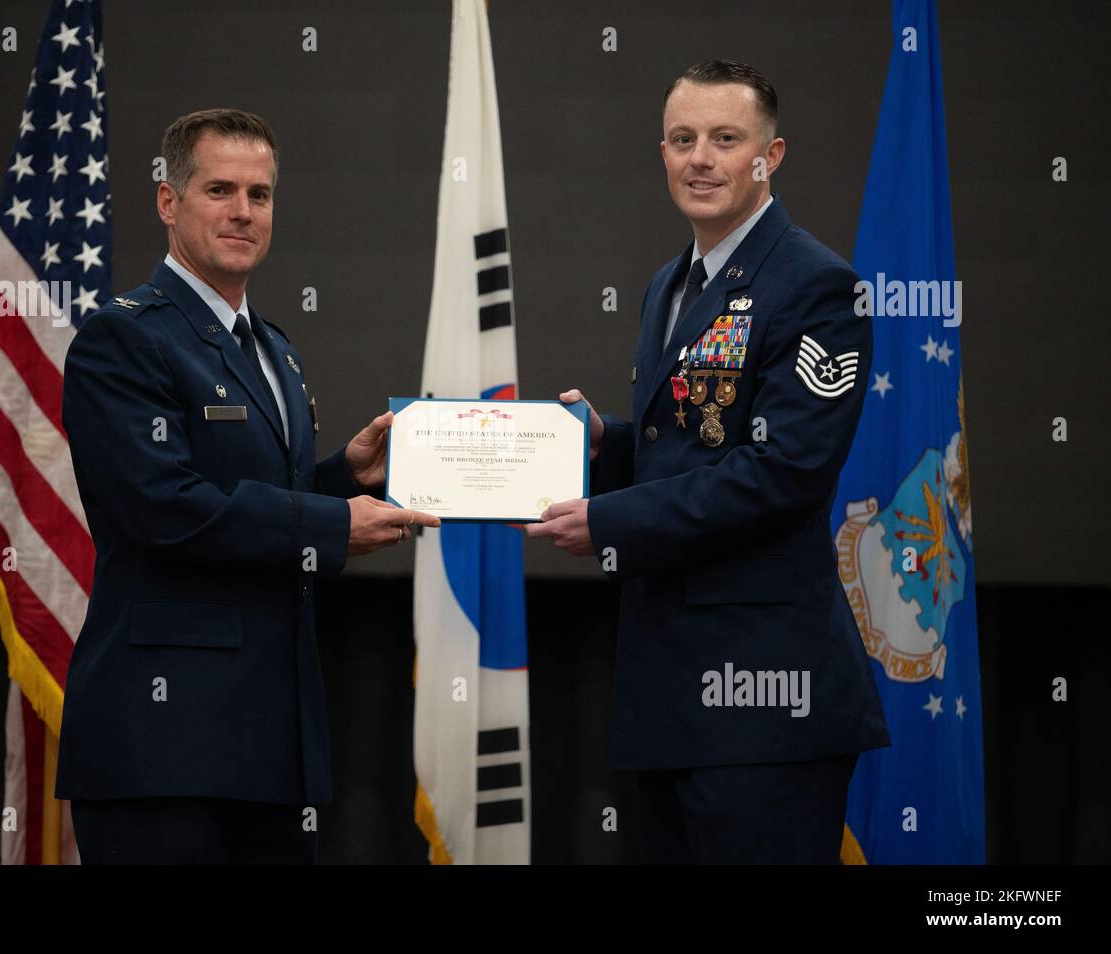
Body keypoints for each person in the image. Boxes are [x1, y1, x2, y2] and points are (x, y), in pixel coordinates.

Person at [527, 61, 890, 863]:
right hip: (671, 695)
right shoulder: (671, 284)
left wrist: (610, 520)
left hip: (767, 702)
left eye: (726, 140)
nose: (701, 158)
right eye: (684, 139)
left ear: (772, 155)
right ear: (662, 151)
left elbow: (782, 474)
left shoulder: (819, 285)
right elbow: (692, 442)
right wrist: (606, 443)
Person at [55, 108, 438, 864]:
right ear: (169, 202)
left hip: (270, 740)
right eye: (220, 190)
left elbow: (257, 493)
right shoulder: (123, 337)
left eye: (259, 195)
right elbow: (161, 510)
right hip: (163, 745)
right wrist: (331, 525)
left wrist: (342, 478)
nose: (242, 212)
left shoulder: (273, 349)